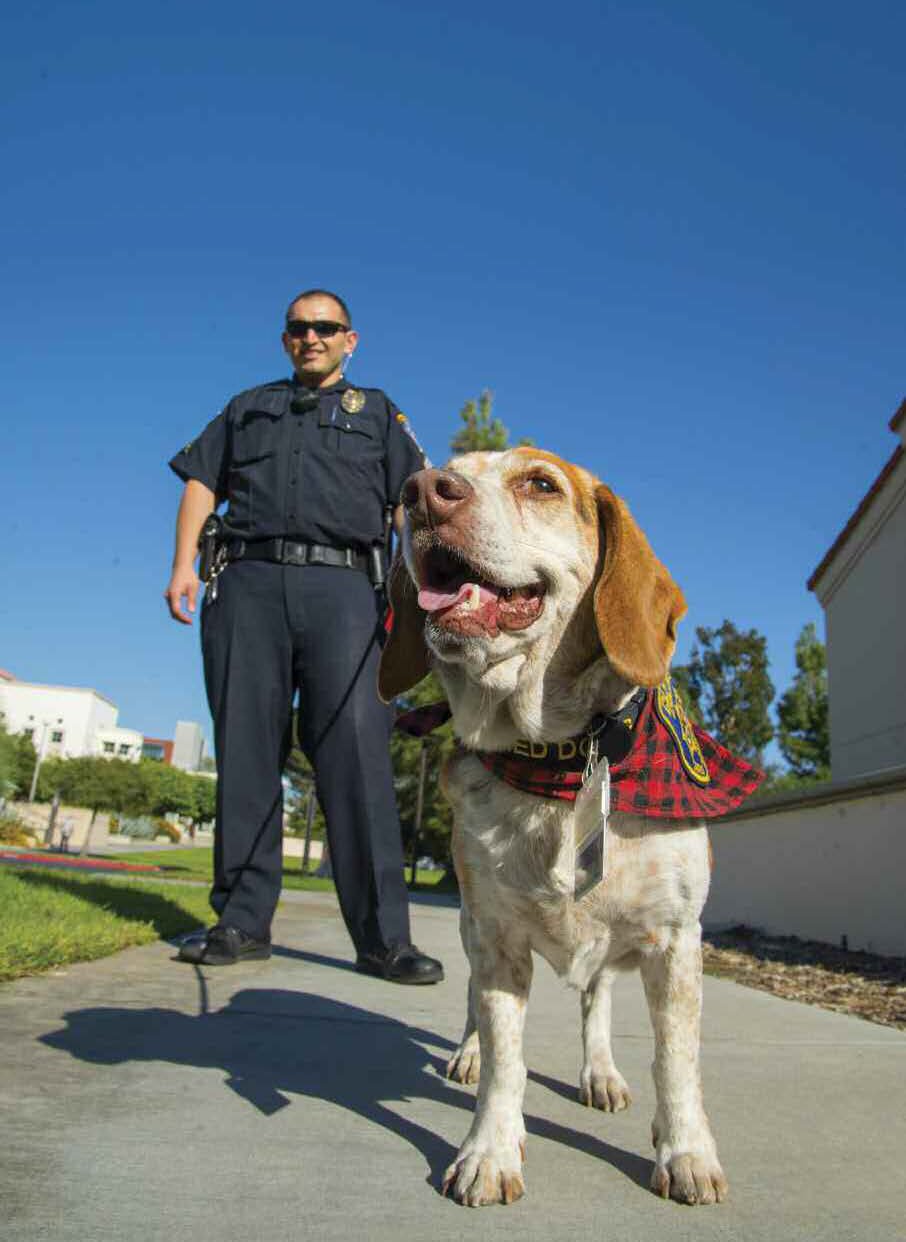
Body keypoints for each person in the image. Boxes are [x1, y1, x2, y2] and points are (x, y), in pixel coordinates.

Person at [164, 289, 442, 984]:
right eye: (298, 327)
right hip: (247, 588)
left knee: (356, 756)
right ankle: (240, 922)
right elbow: (202, 480)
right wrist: (180, 566)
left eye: (325, 327)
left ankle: (385, 940)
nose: (310, 337)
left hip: (345, 593)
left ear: (351, 339)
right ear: (285, 339)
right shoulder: (246, 406)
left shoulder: (378, 413)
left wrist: (426, 591)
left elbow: (412, 503)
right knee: (247, 753)